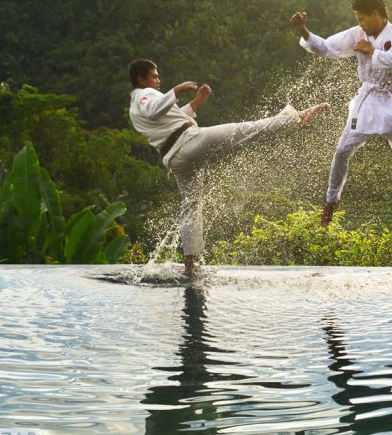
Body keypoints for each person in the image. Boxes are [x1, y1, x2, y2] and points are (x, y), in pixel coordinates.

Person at [127, 59, 329, 275]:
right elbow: (155, 111)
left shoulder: (138, 105)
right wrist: (177, 90)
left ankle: (190, 265)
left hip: (177, 157)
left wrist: (198, 101)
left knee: (191, 207)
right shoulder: (143, 96)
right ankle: (297, 118)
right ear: (141, 79)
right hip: (189, 142)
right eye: (154, 76)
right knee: (244, 130)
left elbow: (170, 118)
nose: (158, 80)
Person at [290, 0, 392, 237]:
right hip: (368, 100)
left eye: (362, 19)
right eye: (358, 19)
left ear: (375, 15)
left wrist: (372, 51)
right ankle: (329, 207)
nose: (360, 24)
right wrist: (303, 31)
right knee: (341, 152)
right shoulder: (357, 34)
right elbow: (327, 48)